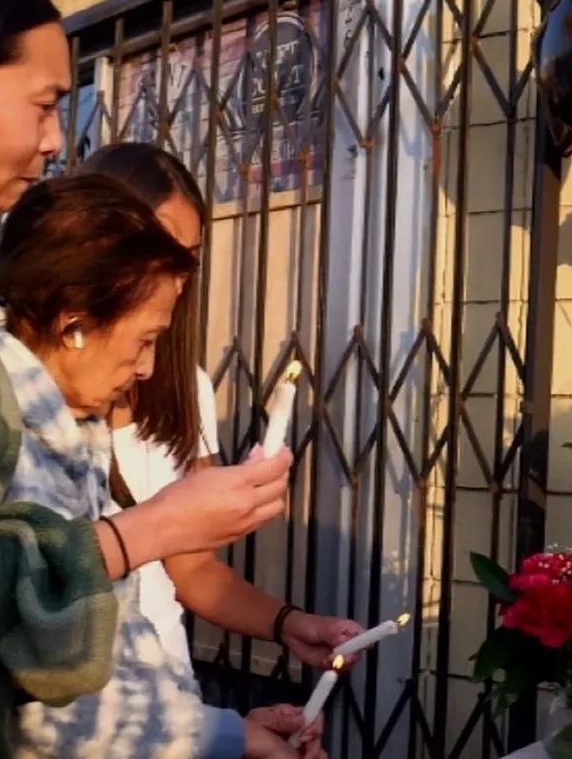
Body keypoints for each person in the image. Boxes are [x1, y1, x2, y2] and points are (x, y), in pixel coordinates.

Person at [0, 0, 290, 754]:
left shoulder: (76, 403)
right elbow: (1, 660)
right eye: (46, 103)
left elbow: (165, 591)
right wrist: (147, 530)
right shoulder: (1, 401)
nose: (58, 140)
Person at [0, 174, 323, 759]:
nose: (145, 368)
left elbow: (120, 632)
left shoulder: (69, 427)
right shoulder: (2, 432)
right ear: (76, 323)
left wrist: (216, 728)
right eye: (143, 339)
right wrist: (224, 737)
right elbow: (45, 698)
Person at [77, 142, 364, 673]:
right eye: (159, 247)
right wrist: (163, 521)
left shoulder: (186, 388)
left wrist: (289, 624)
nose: (174, 279)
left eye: (187, 259)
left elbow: (190, 570)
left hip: (168, 698)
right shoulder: (27, 393)